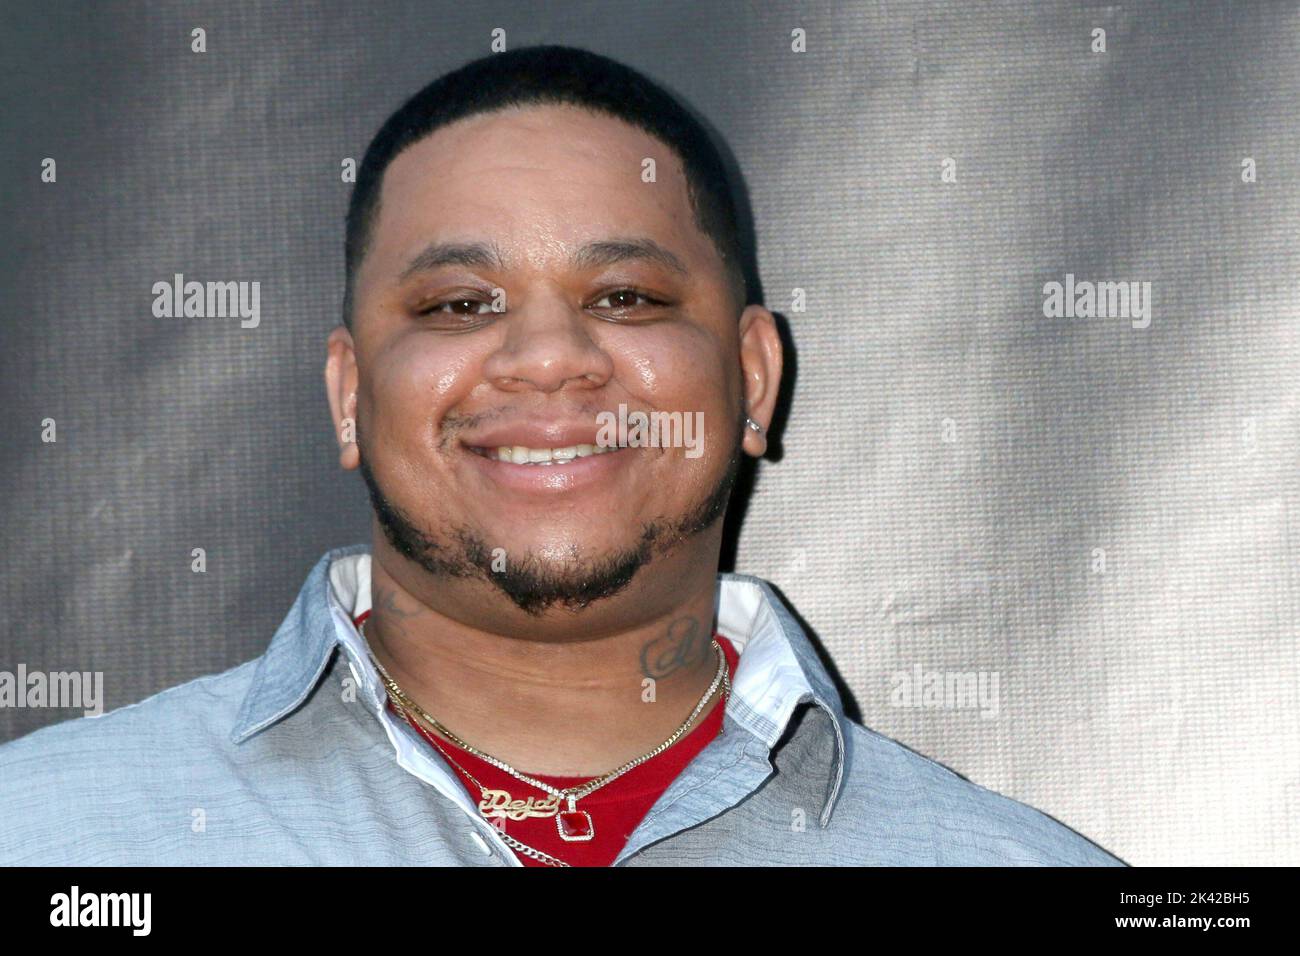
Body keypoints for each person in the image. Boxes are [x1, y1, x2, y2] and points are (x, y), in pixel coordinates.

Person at [0, 45, 1124, 866]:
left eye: (626, 295)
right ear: (350, 395)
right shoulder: (44, 837)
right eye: (457, 303)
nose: (547, 358)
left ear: (755, 380)